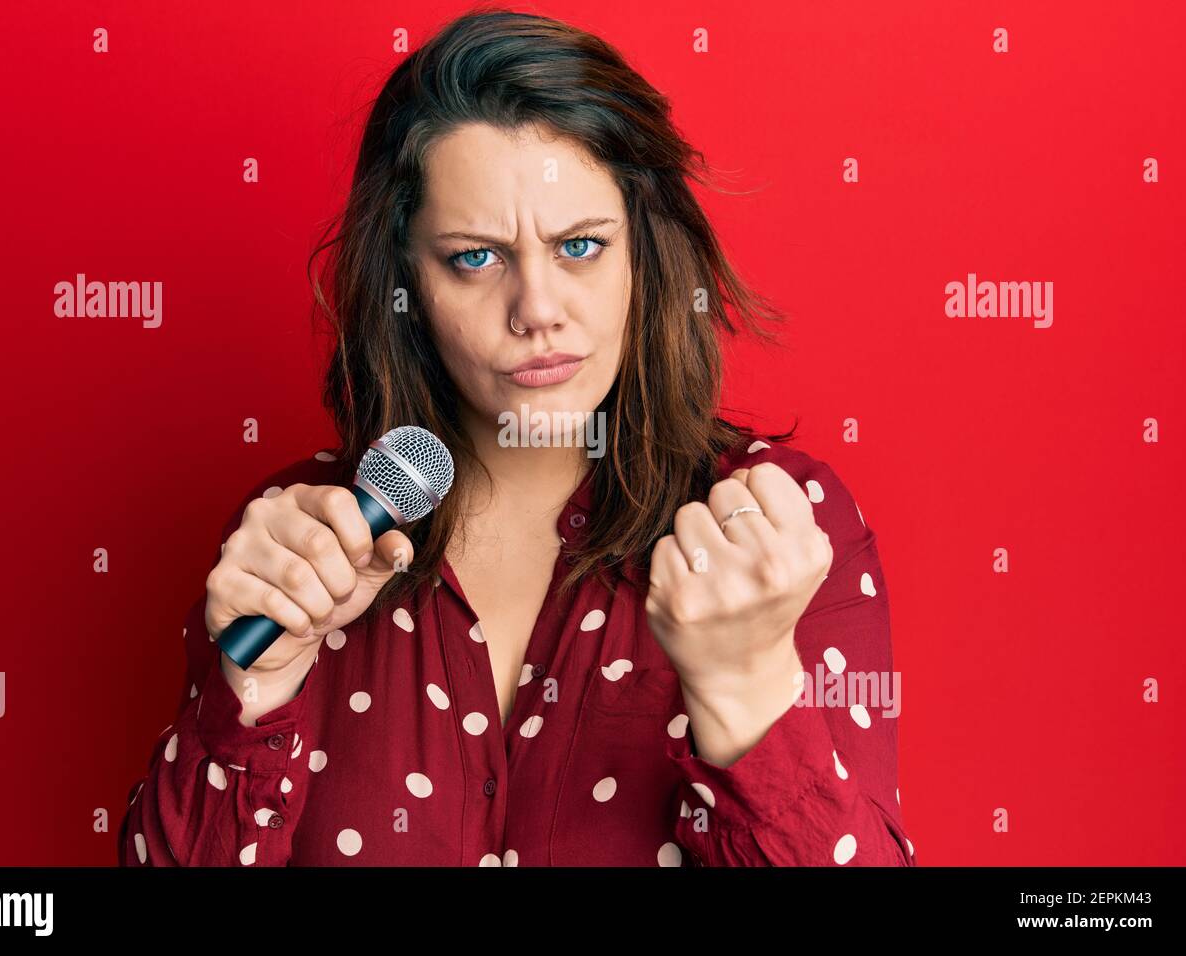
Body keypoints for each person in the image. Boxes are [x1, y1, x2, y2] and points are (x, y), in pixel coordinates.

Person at [118, 8, 914, 867]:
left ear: (642, 257)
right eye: (475, 258)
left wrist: (744, 684)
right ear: (406, 283)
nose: (538, 310)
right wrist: (255, 693)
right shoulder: (302, 540)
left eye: (580, 246)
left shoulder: (777, 531)